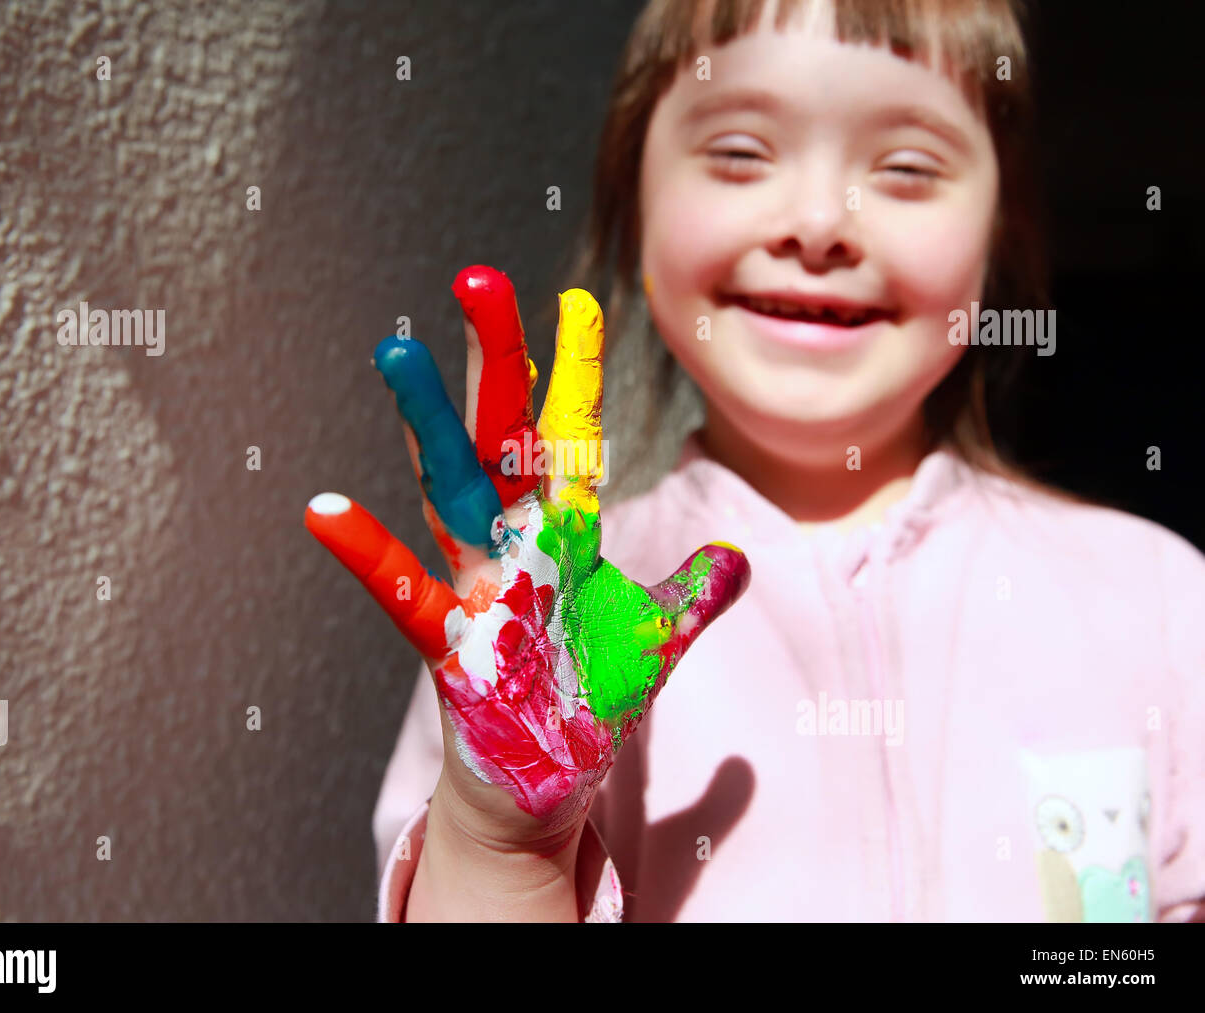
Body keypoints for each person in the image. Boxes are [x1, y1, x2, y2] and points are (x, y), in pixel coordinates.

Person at [307, 0, 1205, 921]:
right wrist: (506, 838)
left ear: (1000, 234)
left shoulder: (1161, 602)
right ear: (632, 200)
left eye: (905, 167)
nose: (819, 223)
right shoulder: (532, 635)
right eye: (739, 152)